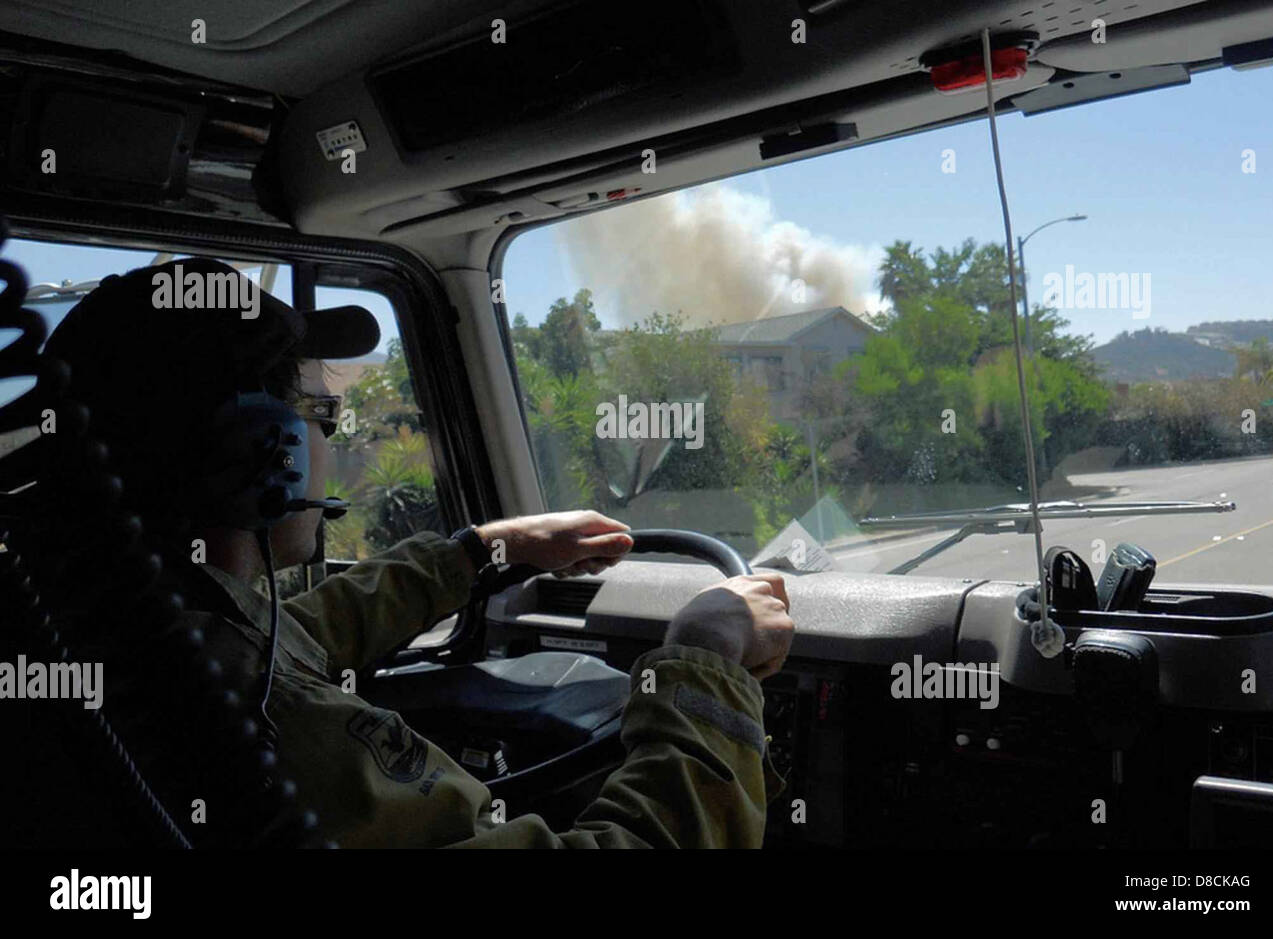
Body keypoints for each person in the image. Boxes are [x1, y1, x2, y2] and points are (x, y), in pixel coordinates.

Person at [35, 258, 795, 847]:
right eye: (317, 411)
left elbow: (295, 633)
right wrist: (703, 660)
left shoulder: (126, 632)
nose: (327, 436)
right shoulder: (276, 730)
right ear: (267, 451)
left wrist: (487, 549)